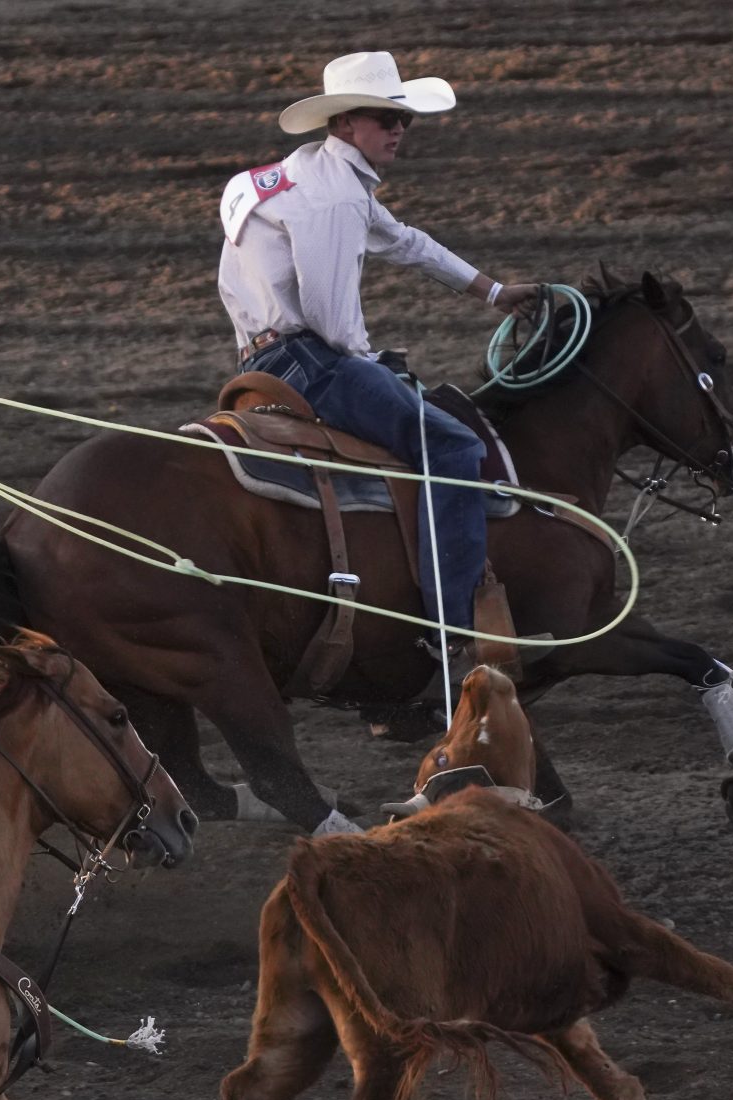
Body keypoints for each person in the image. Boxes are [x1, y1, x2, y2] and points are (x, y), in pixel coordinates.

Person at [217, 50, 541, 656]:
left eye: (403, 121)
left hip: (257, 361)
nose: (397, 130)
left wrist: (493, 291)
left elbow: (404, 241)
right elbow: (332, 319)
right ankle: (458, 626)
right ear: (343, 124)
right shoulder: (336, 197)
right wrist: (364, 364)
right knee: (452, 445)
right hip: (311, 361)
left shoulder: (291, 175)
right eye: (383, 118)